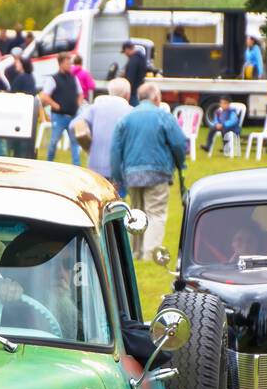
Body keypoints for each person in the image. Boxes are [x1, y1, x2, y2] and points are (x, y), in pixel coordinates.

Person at [109, 82, 188, 260]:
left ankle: (134, 254)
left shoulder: (126, 118)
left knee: (136, 213)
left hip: (131, 174)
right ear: (156, 98)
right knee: (156, 213)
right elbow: (178, 143)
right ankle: (150, 255)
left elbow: (115, 149)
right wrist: (180, 163)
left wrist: (117, 176)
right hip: (158, 172)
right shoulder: (163, 116)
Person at [76, 76, 133, 179]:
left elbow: (75, 126)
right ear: (127, 95)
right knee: (117, 194)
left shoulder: (95, 108)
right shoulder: (131, 112)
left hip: (95, 165)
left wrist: (88, 145)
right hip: (119, 167)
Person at [39, 53, 82, 165]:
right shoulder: (53, 79)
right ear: (60, 63)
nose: (70, 65)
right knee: (54, 141)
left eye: (70, 63)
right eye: (67, 63)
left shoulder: (74, 78)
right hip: (59, 116)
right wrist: (56, 105)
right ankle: (49, 163)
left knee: (74, 142)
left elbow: (80, 93)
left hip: (73, 115)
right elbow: (44, 95)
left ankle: (76, 165)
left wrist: (78, 104)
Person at [121, 41, 148, 107]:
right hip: (139, 88)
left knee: (133, 108)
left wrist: (126, 89)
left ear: (127, 49)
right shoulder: (141, 58)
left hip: (133, 91)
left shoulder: (133, 60)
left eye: (124, 52)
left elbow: (130, 77)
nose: (125, 54)